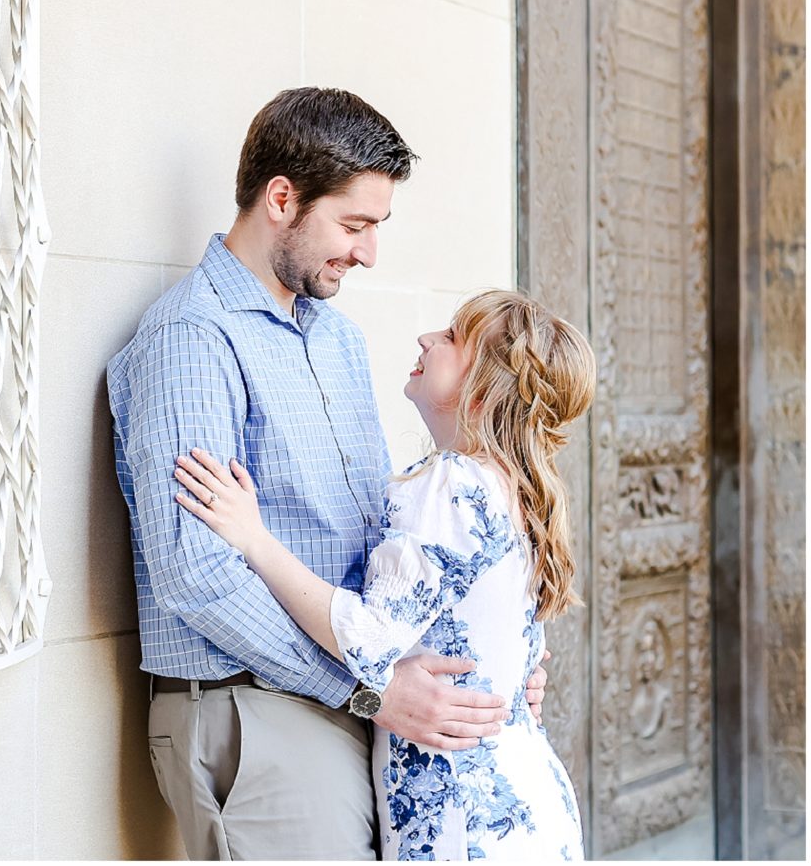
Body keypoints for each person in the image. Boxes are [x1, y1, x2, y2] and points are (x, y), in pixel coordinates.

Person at [107, 87, 548, 860]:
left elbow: (393, 545)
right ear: (282, 198)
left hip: (360, 698)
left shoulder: (337, 339)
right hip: (258, 706)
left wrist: (490, 663)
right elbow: (197, 574)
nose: (369, 252)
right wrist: (370, 688)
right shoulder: (192, 338)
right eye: (354, 224)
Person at [173, 290, 593, 860]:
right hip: (527, 798)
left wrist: (253, 537)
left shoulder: (449, 484)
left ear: (483, 387)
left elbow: (368, 638)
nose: (426, 340)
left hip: (460, 818)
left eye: (450, 337)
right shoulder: (515, 489)